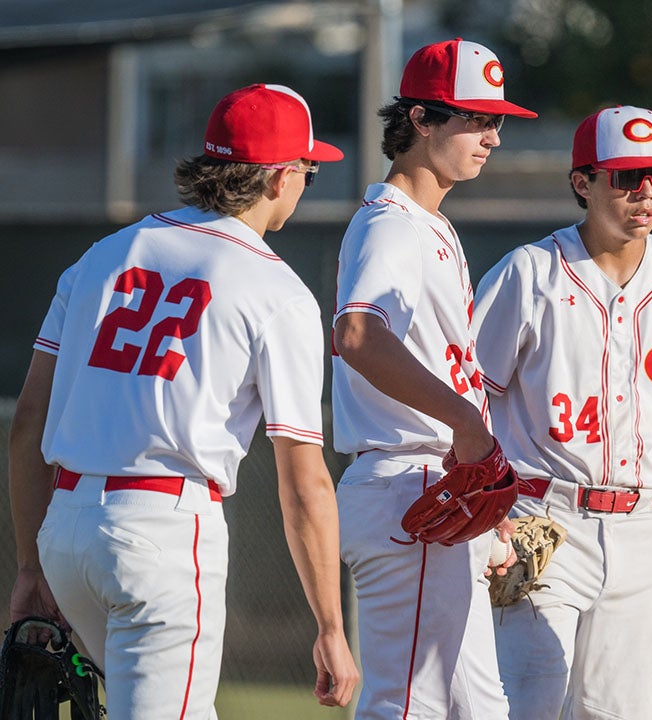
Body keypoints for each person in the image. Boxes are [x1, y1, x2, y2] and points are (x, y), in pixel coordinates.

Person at [7, 83, 357, 718]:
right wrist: (332, 626)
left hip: (66, 528)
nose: (308, 182)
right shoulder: (276, 289)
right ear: (278, 177)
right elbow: (305, 481)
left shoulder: (102, 257)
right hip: (161, 531)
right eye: (308, 169)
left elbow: (28, 421)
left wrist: (31, 565)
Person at [472, 104, 652, 720]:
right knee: (524, 706)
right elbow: (468, 393)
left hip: (642, 530)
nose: (645, 192)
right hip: (541, 519)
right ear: (583, 182)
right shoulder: (530, 273)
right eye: (627, 177)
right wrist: (487, 504)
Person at [329, 38, 536, 719]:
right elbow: (358, 335)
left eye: (496, 121)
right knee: (407, 706)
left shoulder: (431, 226)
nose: (492, 136)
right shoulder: (390, 224)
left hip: (438, 488)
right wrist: (467, 424)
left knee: (478, 707)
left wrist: (488, 510)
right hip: (405, 483)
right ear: (420, 120)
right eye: (475, 119)